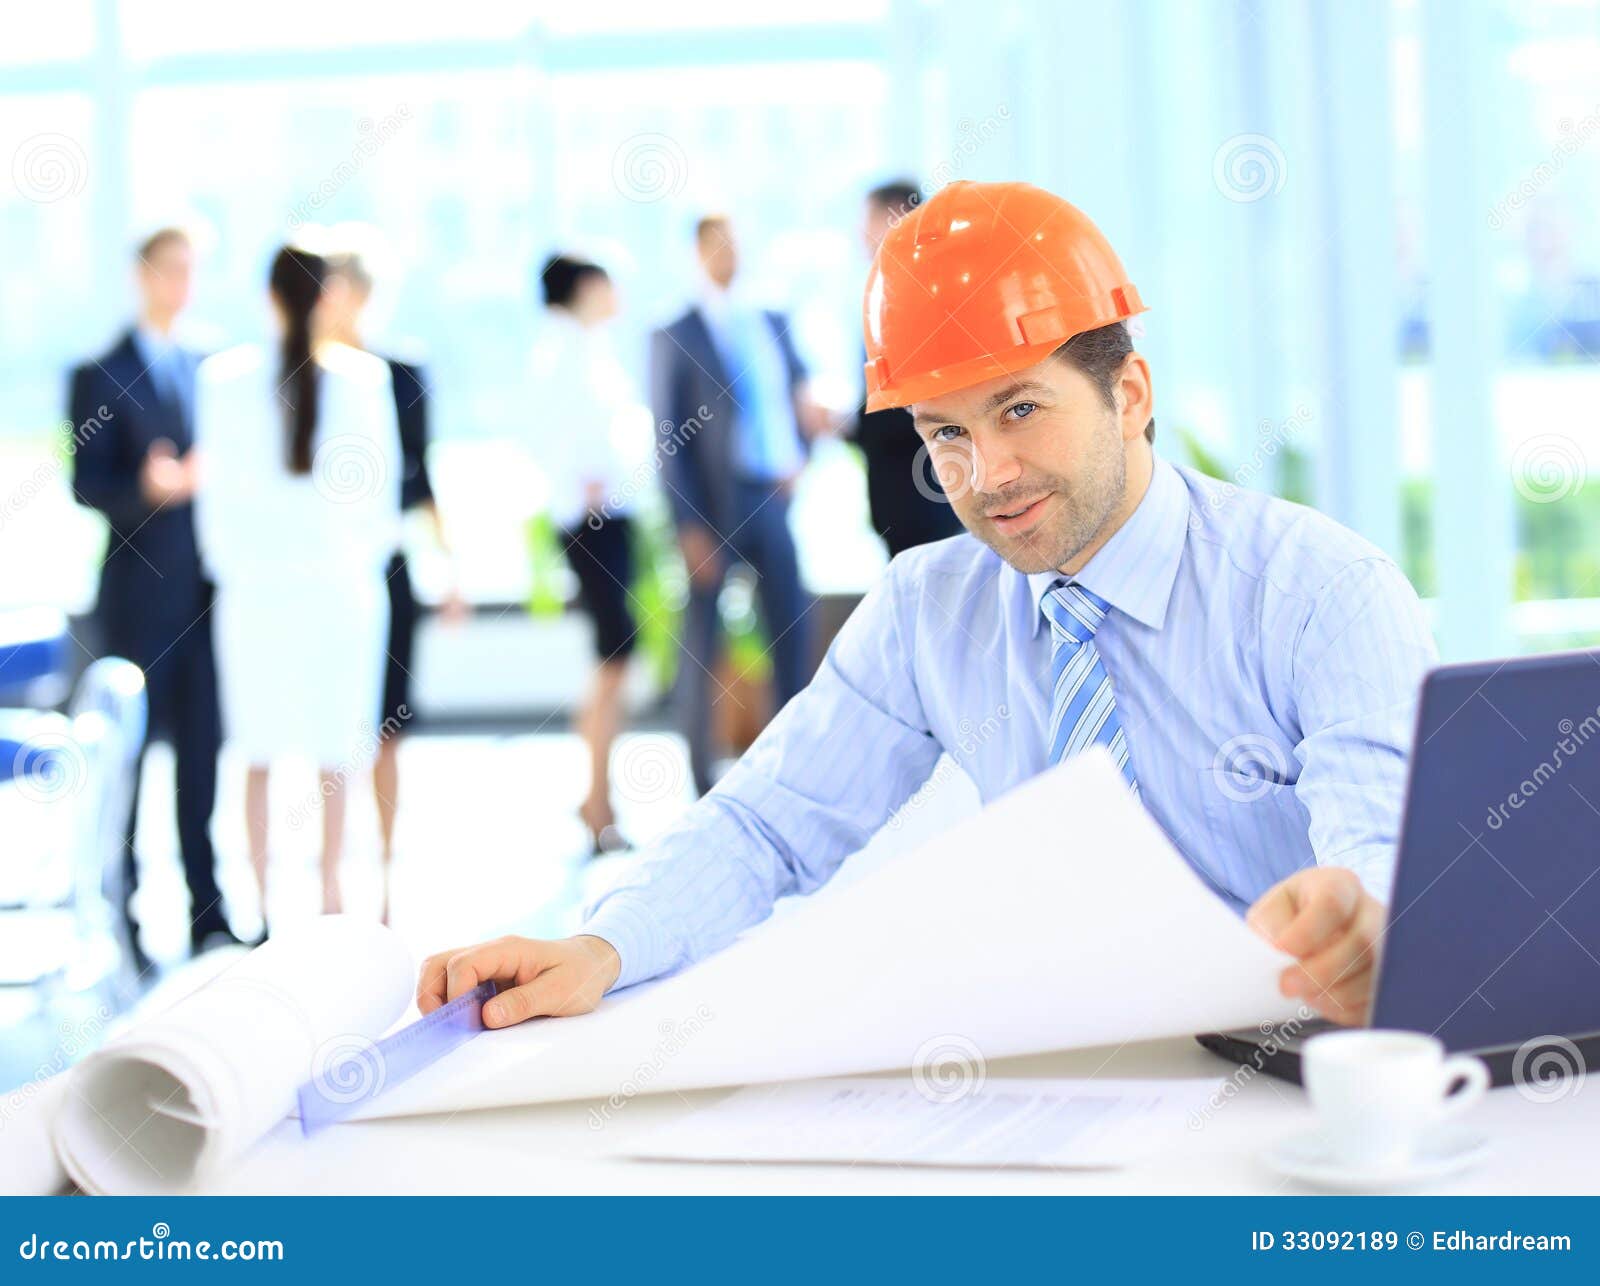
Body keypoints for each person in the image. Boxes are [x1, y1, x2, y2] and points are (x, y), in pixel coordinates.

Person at [418, 181, 1435, 1033]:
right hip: (1065, 1071)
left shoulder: (1318, 594)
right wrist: (602, 945)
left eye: (1019, 409)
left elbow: (1387, 849)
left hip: (1285, 1072)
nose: (986, 475)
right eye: (946, 433)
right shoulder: (928, 607)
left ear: (1129, 394)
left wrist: (1370, 926)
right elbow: (767, 823)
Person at [194, 245, 400, 923]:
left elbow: (214, 504)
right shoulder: (364, 379)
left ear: (270, 295)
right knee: (335, 753)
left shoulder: (221, 378)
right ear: (329, 297)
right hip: (338, 590)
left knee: (257, 750)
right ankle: (330, 898)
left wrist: (237, 568)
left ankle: (261, 906)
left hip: (254, 594)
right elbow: (380, 503)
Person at [69, 226, 236, 961]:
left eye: (191, 270)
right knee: (132, 760)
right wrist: (147, 488)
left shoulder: (215, 366)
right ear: (141, 274)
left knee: (203, 752)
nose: (181, 283)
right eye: (170, 269)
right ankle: (126, 917)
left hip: (207, 593)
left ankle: (209, 911)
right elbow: (85, 484)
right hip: (138, 594)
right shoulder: (99, 373)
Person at [317, 232, 463, 922]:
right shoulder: (306, 375)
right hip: (325, 564)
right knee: (329, 724)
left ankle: (383, 876)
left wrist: (451, 567)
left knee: (388, 724)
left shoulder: (402, 371)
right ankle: (331, 880)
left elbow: (421, 474)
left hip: (391, 560)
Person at [652, 214, 822, 796]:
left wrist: (800, 457)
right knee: (703, 643)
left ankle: (793, 766)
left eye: (736, 242)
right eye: (718, 244)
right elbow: (668, 438)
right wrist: (687, 524)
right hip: (713, 506)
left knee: (792, 625)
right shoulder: (676, 332)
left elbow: (799, 396)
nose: (730, 253)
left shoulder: (771, 319)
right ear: (698, 252)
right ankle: (701, 777)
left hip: (770, 493)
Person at [527, 254, 649, 852]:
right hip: (592, 522)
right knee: (615, 654)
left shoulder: (587, 348)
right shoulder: (564, 353)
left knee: (613, 656)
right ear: (583, 288)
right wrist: (591, 484)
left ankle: (596, 796)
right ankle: (597, 800)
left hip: (607, 518)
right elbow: (562, 442)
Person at [848, 181, 966, 557]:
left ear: (895, 218)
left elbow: (920, 404)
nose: (860, 233)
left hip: (925, 498)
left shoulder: (922, 297)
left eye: (868, 218)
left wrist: (849, 423)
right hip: (904, 501)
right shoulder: (888, 295)